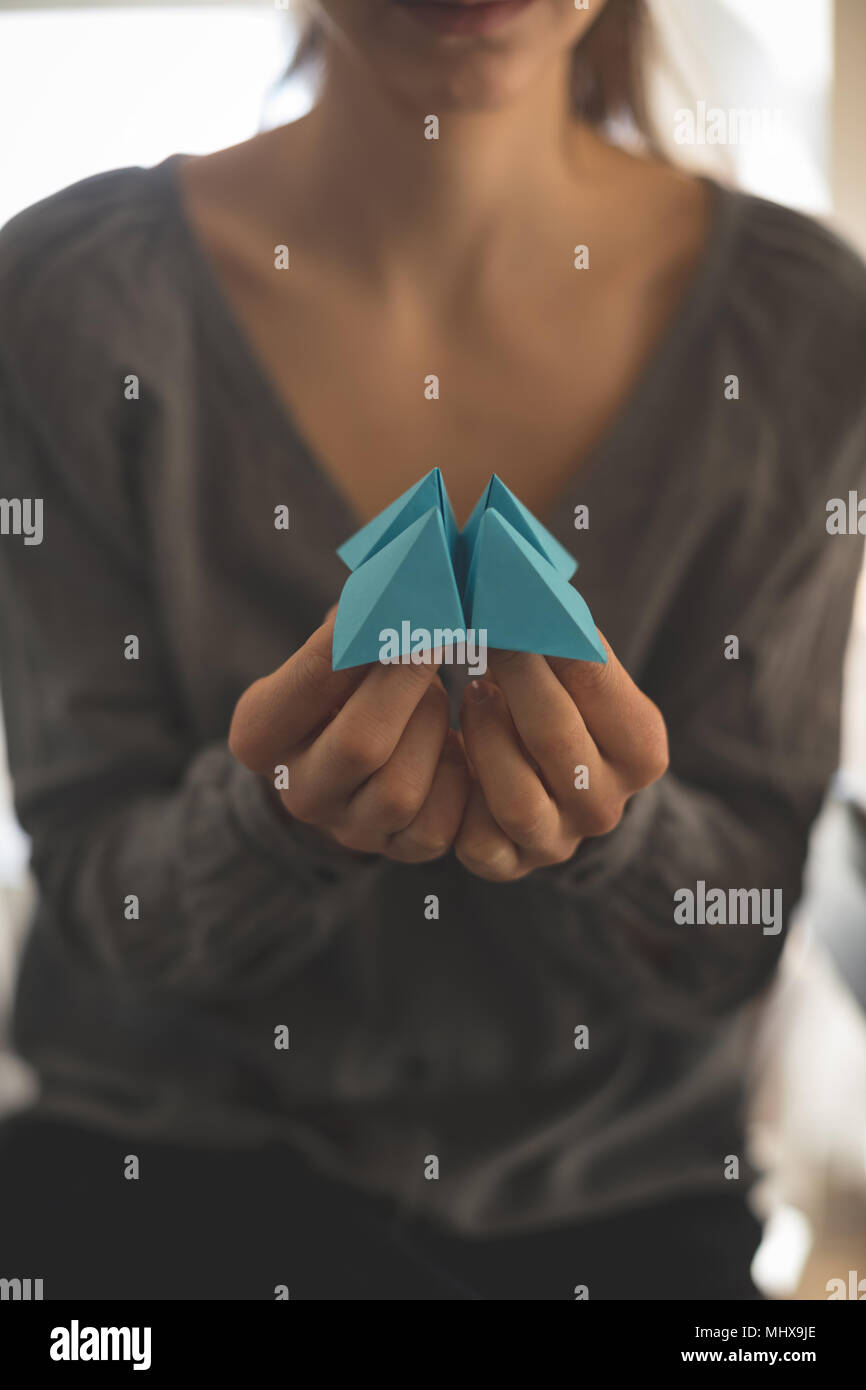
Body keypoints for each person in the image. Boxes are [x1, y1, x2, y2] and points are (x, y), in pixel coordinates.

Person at [0, 0, 864, 1300]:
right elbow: (98, 884)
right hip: (155, 1170)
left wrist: (617, 838)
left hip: (617, 1201)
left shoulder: (805, 330)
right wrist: (269, 829)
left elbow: (731, 923)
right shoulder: (63, 300)